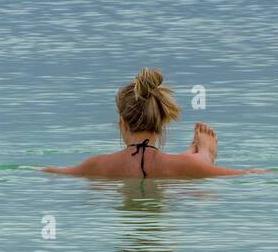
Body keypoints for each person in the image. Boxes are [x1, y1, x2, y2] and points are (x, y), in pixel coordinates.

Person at [42, 68, 263, 178]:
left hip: (124, 180)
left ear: (122, 123)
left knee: (185, 167)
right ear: (162, 121)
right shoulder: (180, 166)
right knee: (196, 177)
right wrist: (204, 152)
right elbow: (249, 174)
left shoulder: (97, 165)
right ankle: (202, 156)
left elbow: (53, 172)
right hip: (177, 169)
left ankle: (196, 157)